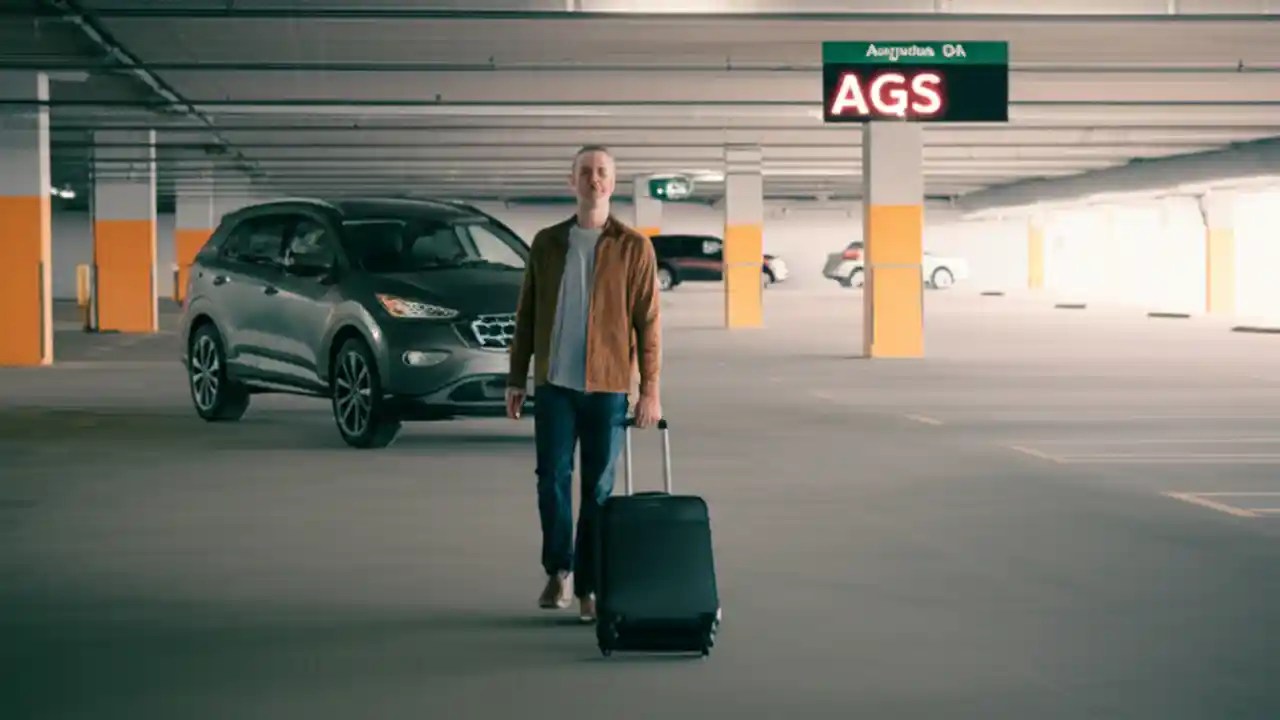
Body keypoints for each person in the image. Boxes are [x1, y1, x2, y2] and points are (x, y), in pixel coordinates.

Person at [506, 144, 663, 623]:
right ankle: (559, 570)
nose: (594, 180)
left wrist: (650, 389)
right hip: (555, 385)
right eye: (586, 172)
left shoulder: (634, 247)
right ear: (571, 181)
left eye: (602, 173)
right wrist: (517, 377)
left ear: (612, 183)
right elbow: (527, 313)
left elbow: (648, 322)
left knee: (597, 490)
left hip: (608, 386)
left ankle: (590, 587)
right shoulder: (547, 243)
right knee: (551, 480)